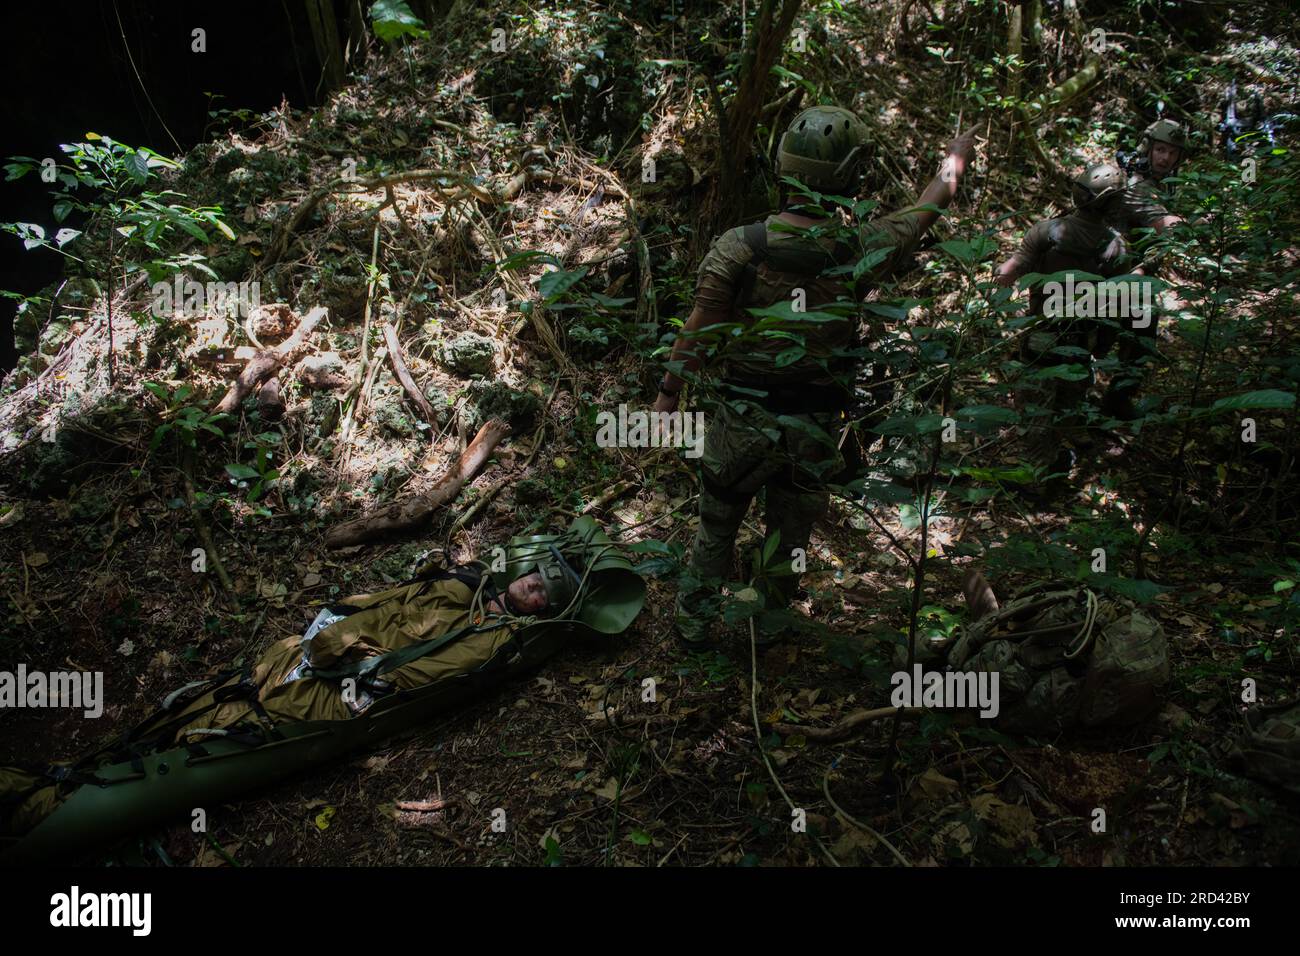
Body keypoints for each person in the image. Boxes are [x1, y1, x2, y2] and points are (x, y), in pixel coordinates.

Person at [0, 516, 645, 862]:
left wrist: (345, 663)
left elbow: (414, 672)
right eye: (535, 580)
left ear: (540, 611)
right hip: (301, 663)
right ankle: (48, 783)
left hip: (324, 689)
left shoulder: (491, 641)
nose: (532, 588)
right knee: (187, 714)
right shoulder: (466, 586)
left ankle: (43, 807)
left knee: (207, 737)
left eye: (543, 593)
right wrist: (331, 632)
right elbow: (385, 604)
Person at [655, 105, 978, 646]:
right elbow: (931, 204)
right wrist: (958, 155)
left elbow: (698, 330)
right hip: (812, 421)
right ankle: (767, 629)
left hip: (742, 415)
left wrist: (668, 397)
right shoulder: (859, 248)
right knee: (791, 535)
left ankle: (693, 624)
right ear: (851, 175)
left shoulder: (740, 245)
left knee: (717, 522)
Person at [993, 162, 1131, 472]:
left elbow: (1009, 272)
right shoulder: (1115, 247)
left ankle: (1039, 465)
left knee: (1036, 405)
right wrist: (1104, 345)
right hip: (1082, 334)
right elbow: (1119, 302)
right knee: (1073, 389)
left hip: (1042, 331)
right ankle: (1071, 434)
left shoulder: (1046, 231)